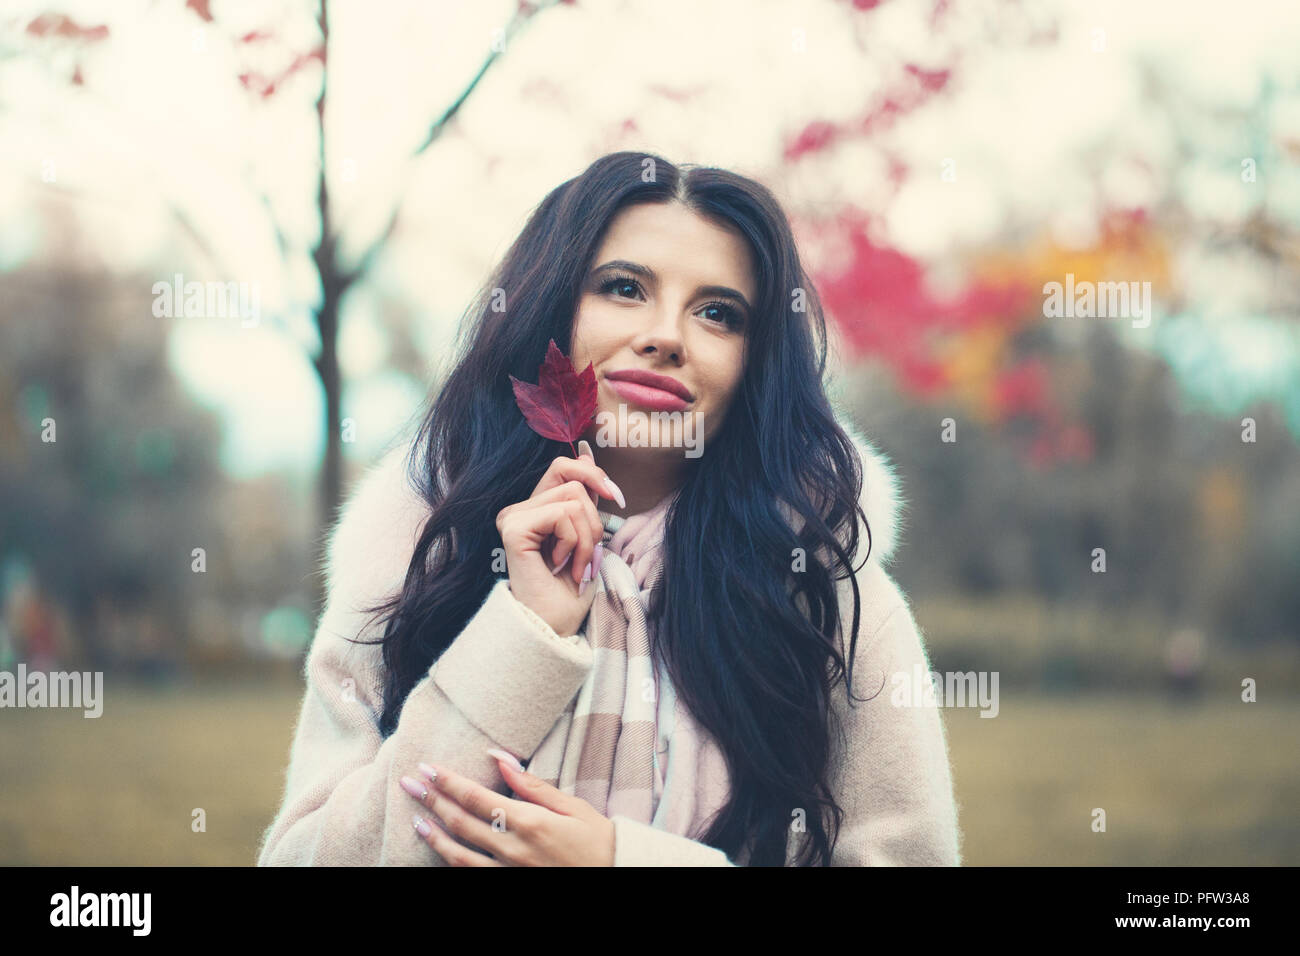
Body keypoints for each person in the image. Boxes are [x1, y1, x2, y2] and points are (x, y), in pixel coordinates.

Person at [257, 152, 962, 866]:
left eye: (718, 313)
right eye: (624, 288)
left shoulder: (827, 600)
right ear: (548, 312)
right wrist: (520, 635)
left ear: (757, 364)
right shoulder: (412, 565)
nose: (667, 336)